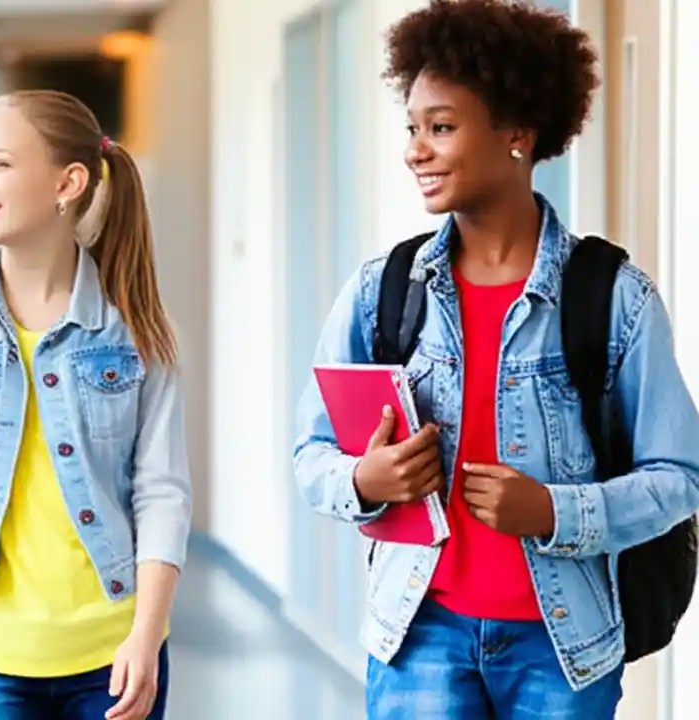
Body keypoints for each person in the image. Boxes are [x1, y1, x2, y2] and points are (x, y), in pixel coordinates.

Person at [293, 1, 699, 717]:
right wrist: (363, 477)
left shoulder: (614, 298)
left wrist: (554, 510)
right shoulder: (379, 291)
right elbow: (310, 454)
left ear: (516, 134)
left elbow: (679, 479)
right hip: (419, 637)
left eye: (441, 127)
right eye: (412, 127)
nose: (416, 149)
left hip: (561, 648)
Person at [0, 89, 192, 720]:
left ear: (67, 182)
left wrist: (146, 635)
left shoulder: (135, 333)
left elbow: (162, 493)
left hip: (112, 648)